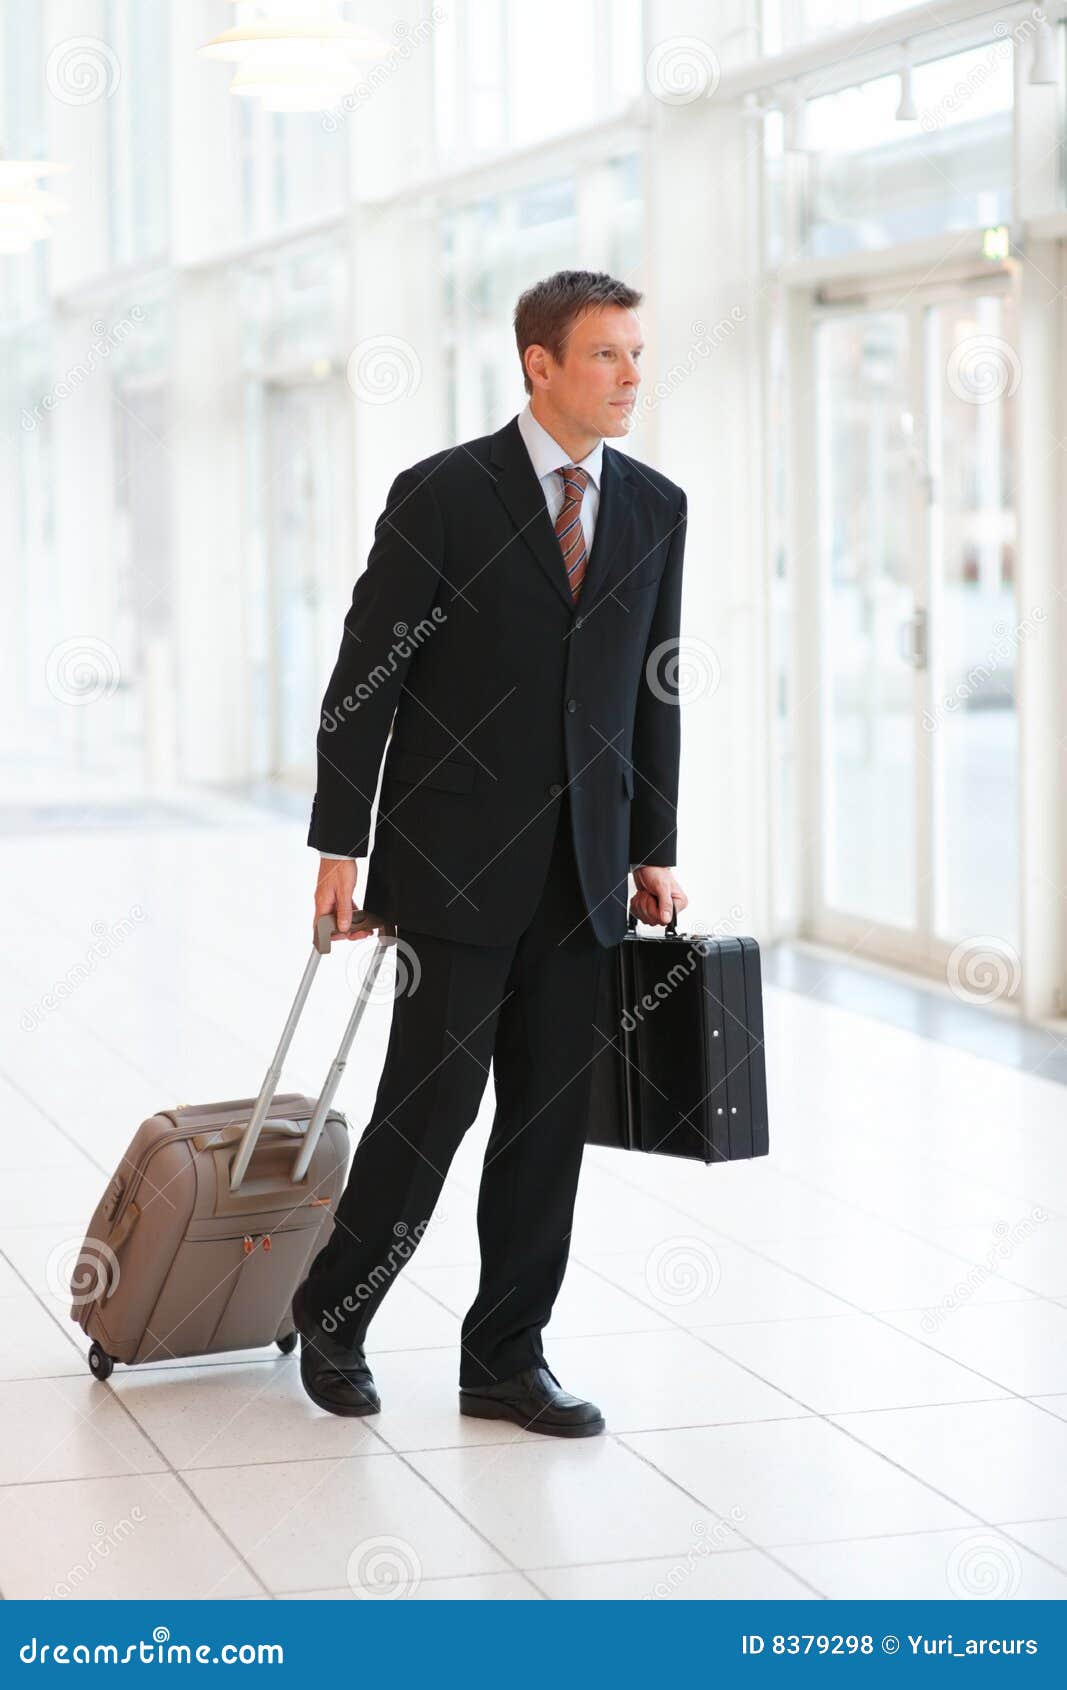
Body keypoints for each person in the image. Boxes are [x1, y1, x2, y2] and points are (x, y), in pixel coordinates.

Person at [292, 269, 688, 1437]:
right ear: (539, 364)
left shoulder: (655, 506)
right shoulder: (444, 494)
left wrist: (652, 842)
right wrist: (338, 845)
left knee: (546, 1123)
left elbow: (652, 691)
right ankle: (333, 1314)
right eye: (607, 355)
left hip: (584, 871)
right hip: (454, 863)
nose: (629, 377)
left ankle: (506, 1354)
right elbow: (366, 682)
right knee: (430, 1107)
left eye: (636, 353)